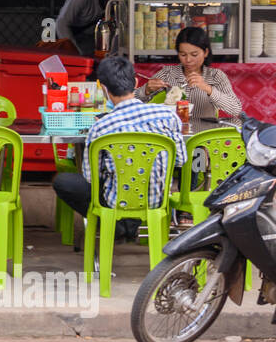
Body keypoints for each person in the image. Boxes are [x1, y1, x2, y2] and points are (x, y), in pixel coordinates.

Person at [52, 54, 186, 242]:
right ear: (136, 81)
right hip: (157, 200)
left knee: (64, 181)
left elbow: (92, 177)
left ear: (104, 89)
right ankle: (127, 228)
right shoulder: (168, 116)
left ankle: (117, 227)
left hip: (116, 201)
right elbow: (180, 160)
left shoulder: (101, 126)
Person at [137, 26, 243, 120]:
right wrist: (146, 90)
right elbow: (130, 102)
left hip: (204, 137)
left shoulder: (215, 76)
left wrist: (208, 89)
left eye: (194, 54)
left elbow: (236, 109)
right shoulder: (167, 74)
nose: (188, 60)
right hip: (174, 134)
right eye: (183, 54)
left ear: (205, 52)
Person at [55, 0, 119, 55]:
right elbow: (62, 23)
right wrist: (73, 51)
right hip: (67, 30)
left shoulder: (117, 7)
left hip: (88, 35)